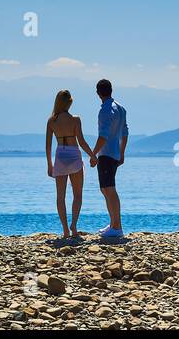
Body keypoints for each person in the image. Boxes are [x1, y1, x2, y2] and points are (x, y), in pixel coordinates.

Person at [45, 89, 95, 239]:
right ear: (69, 103)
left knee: (60, 196)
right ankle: (74, 226)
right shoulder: (75, 119)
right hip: (74, 154)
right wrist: (93, 155)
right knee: (77, 194)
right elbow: (82, 141)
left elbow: (47, 146)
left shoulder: (52, 121)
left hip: (60, 155)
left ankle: (65, 230)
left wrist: (49, 165)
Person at [89, 77, 128, 238]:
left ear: (98, 93)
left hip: (106, 154)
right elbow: (125, 132)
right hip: (114, 153)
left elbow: (103, 135)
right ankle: (113, 223)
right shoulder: (120, 108)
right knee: (105, 188)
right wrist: (122, 152)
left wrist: (93, 154)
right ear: (110, 90)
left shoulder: (105, 110)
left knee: (109, 189)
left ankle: (117, 226)